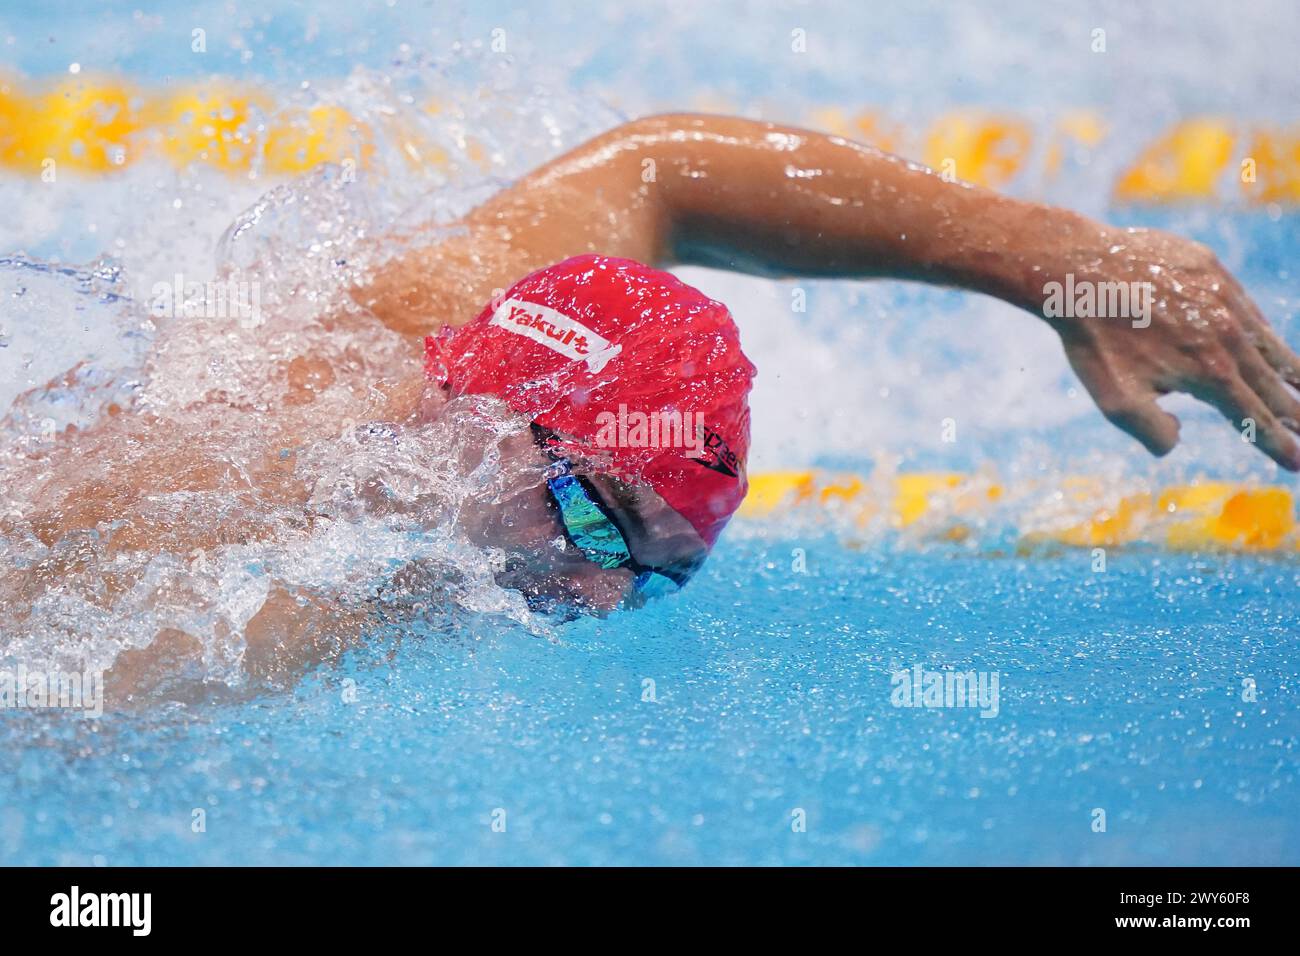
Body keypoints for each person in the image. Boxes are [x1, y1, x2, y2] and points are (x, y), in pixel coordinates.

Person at [4, 113, 1298, 703]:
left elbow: (666, 171)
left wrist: (1053, 259)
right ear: (487, 425)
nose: (604, 596)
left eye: (660, 572)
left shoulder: (472, 314)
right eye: (599, 526)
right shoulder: (237, 525)